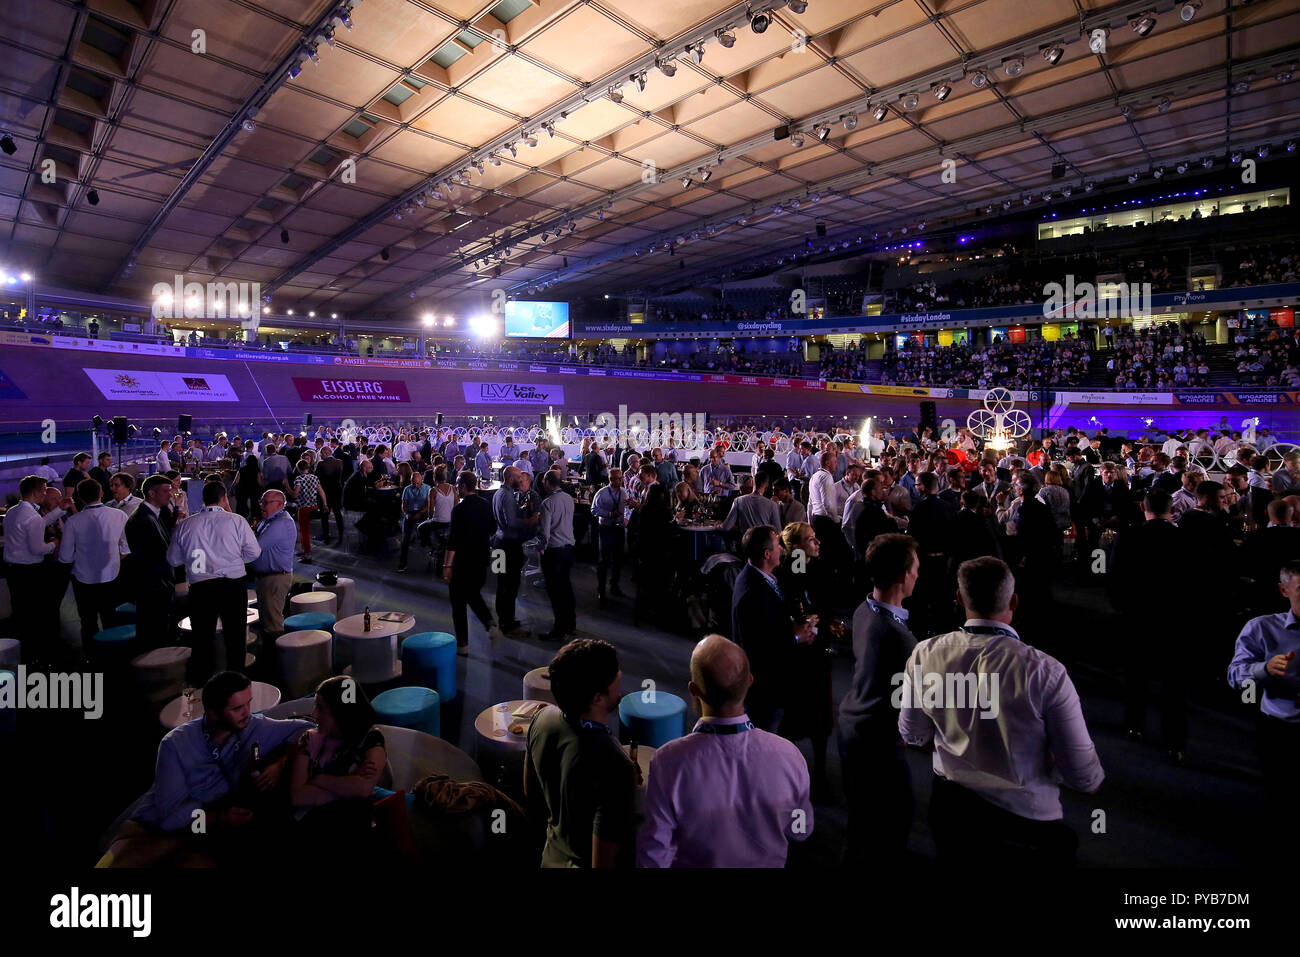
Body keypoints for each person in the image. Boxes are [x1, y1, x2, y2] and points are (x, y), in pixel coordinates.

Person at [899, 557, 1104, 866]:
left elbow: (912, 734)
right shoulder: (1045, 672)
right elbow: (1084, 775)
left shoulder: (925, 654)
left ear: (959, 598)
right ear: (1014, 601)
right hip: (1025, 819)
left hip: (951, 812)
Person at [637, 634, 812, 867]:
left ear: (693, 689)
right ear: (749, 682)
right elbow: (801, 830)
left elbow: (653, 857)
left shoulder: (669, 762)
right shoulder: (790, 755)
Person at [116, 671, 313, 866]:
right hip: (153, 828)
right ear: (213, 713)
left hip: (205, 828)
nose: (247, 713)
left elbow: (304, 728)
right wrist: (219, 818)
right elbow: (170, 817)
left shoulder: (253, 726)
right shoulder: (175, 744)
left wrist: (279, 763)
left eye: (248, 703)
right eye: (237, 708)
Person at [838, 533, 919, 864]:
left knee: (862, 823)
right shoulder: (898, 638)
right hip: (877, 740)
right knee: (891, 826)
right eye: (916, 568)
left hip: (852, 728)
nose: (918, 575)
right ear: (903, 576)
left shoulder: (863, 608)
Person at [524, 639, 639, 867]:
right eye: (615, 674)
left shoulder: (541, 720)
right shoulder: (615, 765)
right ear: (597, 697)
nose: (621, 674)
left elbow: (532, 796)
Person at [1109, 489, 1190, 761]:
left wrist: (1123, 609)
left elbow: (1115, 577)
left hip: (1137, 617)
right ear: (1172, 509)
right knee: (1174, 683)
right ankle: (1176, 742)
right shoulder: (1184, 538)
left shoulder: (1130, 536)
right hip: (1175, 619)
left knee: (1136, 676)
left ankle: (1135, 726)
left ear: (1143, 507)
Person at [167, 481, 261, 682]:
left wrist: (198, 560)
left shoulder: (186, 525)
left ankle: (203, 687)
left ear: (203, 499)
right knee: (235, 638)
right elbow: (254, 553)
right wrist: (232, 559)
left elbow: (173, 559)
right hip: (232, 586)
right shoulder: (236, 521)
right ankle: (237, 683)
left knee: (201, 639)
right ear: (224, 497)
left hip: (201, 588)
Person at [288, 676, 389, 859]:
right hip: (311, 827)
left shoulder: (371, 739)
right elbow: (296, 796)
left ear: (341, 712)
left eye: (322, 709)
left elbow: (364, 788)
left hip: (351, 825)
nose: (314, 714)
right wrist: (348, 785)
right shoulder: (308, 739)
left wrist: (319, 780)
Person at [1228, 561, 1300, 815]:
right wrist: (1265, 670)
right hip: (1281, 732)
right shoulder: (1262, 628)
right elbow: (1235, 677)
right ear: (1284, 591)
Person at [731, 525, 817, 733]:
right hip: (764, 688)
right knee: (763, 741)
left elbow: (771, 621)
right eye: (778, 545)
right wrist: (795, 636)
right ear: (767, 554)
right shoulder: (752, 590)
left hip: (773, 682)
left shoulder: (764, 577)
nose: (782, 549)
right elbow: (757, 645)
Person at [775, 521, 836, 791]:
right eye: (811, 540)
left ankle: (819, 772)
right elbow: (797, 599)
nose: (818, 543)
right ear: (797, 547)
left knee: (821, 718)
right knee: (797, 714)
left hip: (819, 650)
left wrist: (828, 620)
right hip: (800, 653)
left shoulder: (819, 567)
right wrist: (805, 617)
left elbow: (822, 602)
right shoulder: (792, 568)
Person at [58, 478, 129, 645]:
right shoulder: (119, 515)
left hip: (83, 579)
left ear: (80, 498)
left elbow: (65, 557)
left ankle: (92, 658)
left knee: (88, 622)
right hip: (112, 576)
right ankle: (113, 656)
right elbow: (126, 549)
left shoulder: (73, 521)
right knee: (111, 618)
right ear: (102, 493)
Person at [3, 476, 64, 664]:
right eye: (45, 490)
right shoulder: (32, 517)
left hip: (13, 571)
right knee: (38, 614)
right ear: (38, 491)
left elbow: (38, 523)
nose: (45, 493)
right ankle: (41, 654)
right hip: (31, 572)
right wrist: (54, 544)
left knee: (21, 612)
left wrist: (59, 510)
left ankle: (24, 652)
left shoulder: (13, 511)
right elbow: (37, 549)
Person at [443, 471, 500, 655]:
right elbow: (492, 528)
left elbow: (453, 540)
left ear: (463, 486)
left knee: (458, 603)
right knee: (473, 594)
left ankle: (463, 645)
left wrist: (447, 565)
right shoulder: (485, 505)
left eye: (458, 483)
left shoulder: (459, 510)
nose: (456, 486)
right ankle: (489, 624)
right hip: (481, 558)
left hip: (462, 562)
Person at [124, 475, 178, 651]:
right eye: (165, 491)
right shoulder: (142, 520)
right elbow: (152, 557)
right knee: (153, 634)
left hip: (157, 585)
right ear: (151, 493)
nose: (170, 495)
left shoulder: (153, 515)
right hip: (152, 588)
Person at [491, 467, 536, 637]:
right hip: (509, 546)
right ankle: (508, 625)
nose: (520, 479)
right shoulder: (509, 496)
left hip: (498, 543)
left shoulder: (497, 494)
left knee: (501, 584)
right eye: (518, 477)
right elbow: (512, 523)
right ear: (511, 479)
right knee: (510, 585)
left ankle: (503, 620)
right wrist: (529, 520)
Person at [248, 489, 296, 641]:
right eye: (261, 501)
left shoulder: (281, 523)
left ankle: (276, 659)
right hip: (268, 578)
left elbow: (255, 548)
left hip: (274, 579)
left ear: (280, 504)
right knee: (268, 621)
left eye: (266, 502)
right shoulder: (270, 520)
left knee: (272, 625)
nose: (262, 505)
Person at [537, 470, 576, 641]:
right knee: (566, 588)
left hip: (554, 551)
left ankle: (559, 628)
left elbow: (545, 533)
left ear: (547, 482)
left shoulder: (547, 503)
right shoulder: (568, 498)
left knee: (554, 591)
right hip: (568, 548)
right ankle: (571, 623)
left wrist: (540, 547)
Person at [591, 468, 630, 605]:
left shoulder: (624, 492)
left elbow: (628, 508)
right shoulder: (602, 493)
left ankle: (615, 586)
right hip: (606, 528)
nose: (619, 481)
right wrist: (608, 514)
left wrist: (627, 519)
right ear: (610, 479)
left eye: (620, 478)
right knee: (604, 560)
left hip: (619, 529)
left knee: (618, 559)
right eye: (615, 479)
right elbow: (594, 509)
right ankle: (601, 590)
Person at [720, 471, 781, 539]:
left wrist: (718, 526)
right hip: (764, 545)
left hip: (744, 544)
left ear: (753, 482)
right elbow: (778, 531)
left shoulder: (738, 500)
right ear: (767, 486)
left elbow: (726, 527)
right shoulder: (772, 505)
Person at [290, 458, 324, 564]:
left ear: (299, 468)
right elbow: (321, 491)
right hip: (313, 506)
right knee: (305, 530)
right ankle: (304, 550)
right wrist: (325, 504)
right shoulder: (315, 477)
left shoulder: (299, 479)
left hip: (303, 507)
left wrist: (287, 486)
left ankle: (307, 555)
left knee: (304, 531)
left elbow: (295, 494)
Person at [397, 466, 430, 572]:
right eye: (413, 483)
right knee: (405, 537)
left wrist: (420, 513)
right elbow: (404, 504)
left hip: (423, 512)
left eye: (418, 483)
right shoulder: (407, 489)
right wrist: (406, 513)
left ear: (422, 480)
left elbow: (428, 505)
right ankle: (403, 563)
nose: (416, 485)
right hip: (410, 512)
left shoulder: (428, 488)